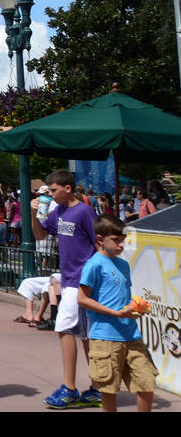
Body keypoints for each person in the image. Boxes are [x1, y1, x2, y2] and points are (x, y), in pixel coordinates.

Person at [30, 169, 102, 409]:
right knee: (84, 335)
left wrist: (92, 279)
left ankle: (70, 388)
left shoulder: (84, 212)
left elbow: (98, 243)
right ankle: (96, 388)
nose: (49, 194)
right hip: (70, 279)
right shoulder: (59, 211)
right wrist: (33, 213)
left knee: (64, 327)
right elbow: (41, 234)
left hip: (80, 281)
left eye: (53, 190)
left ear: (67, 188)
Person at [78, 215, 156, 412]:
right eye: (116, 240)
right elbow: (83, 299)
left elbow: (122, 298)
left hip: (131, 334)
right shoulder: (94, 264)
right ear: (100, 239)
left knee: (146, 382)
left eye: (123, 240)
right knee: (109, 390)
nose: (121, 245)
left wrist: (136, 307)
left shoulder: (123, 265)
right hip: (105, 337)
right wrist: (116, 313)